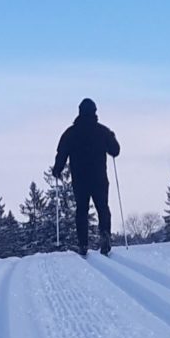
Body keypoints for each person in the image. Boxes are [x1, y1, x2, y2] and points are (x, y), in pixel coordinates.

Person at [53, 98, 121, 256]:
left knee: (81, 210)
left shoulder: (70, 133)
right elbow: (115, 151)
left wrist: (57, 170)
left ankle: (83, 244)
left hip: (80, 179)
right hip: (99, 178)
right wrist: (112, 136)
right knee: (103, 208)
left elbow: (61, 153)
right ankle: (105, 236)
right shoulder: (102, 131)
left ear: (79, 112)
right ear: (95, 112)